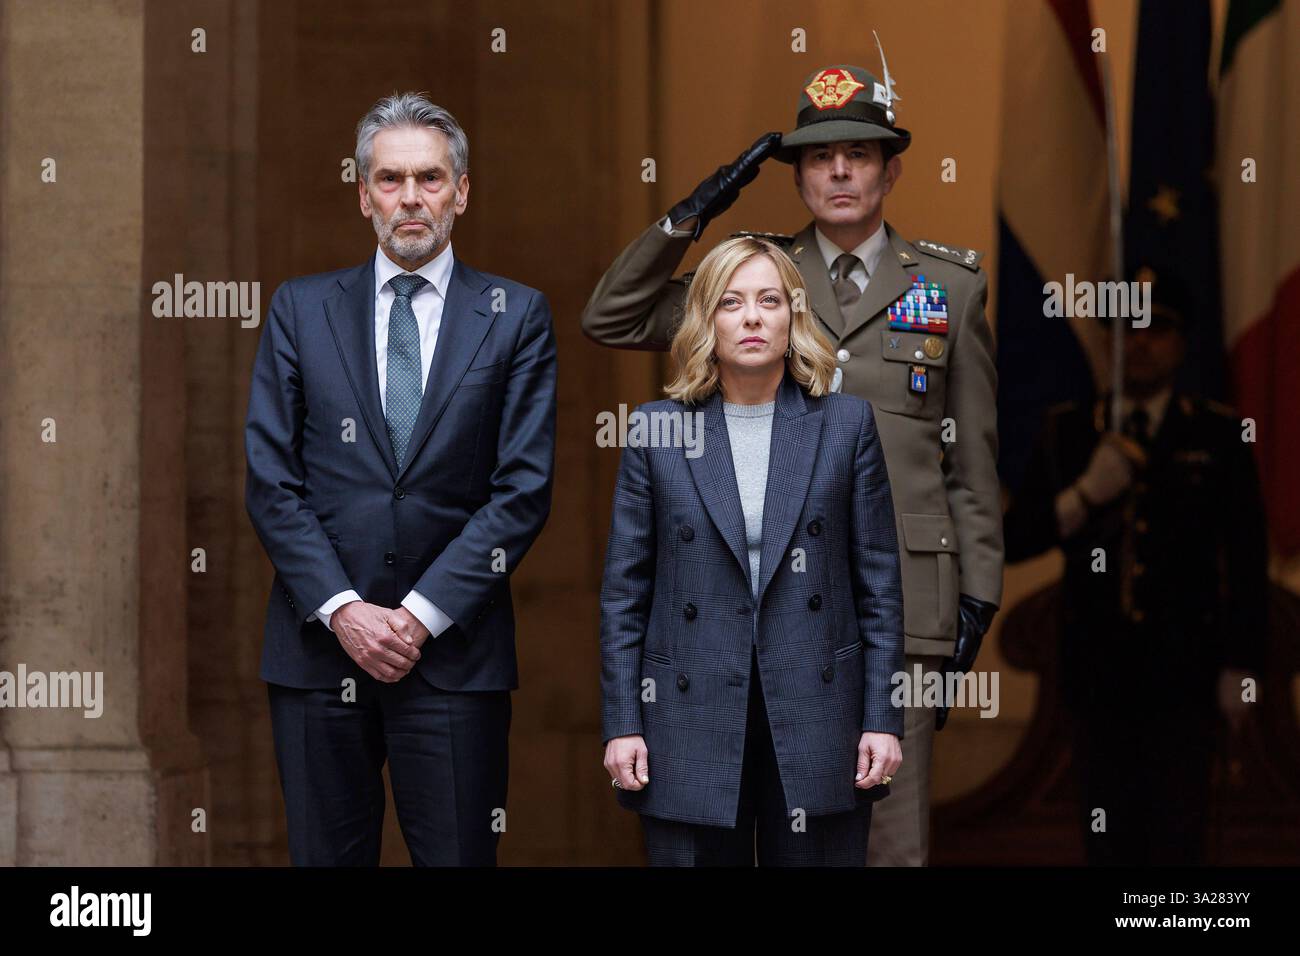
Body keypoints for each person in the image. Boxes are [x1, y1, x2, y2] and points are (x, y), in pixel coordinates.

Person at [583, 59, 1003, 866]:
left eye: (860, 153)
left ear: (892, 167)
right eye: (818, 156)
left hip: (903, 604)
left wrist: (976, 596)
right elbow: (612, 313)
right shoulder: (754, 281)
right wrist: (701, 207)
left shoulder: (950, 287)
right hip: (750, 611)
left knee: (889, 842)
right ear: (798, 174)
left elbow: (972, 462)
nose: (840, 170)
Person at [244, 92, 557, 866]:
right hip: (319, 652)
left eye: (429, 177)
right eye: (389, 179)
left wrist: (416, 618)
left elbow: (521, 490)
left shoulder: (515, 315)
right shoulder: (300, 309)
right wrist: (346, 611)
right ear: (361, 193)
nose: (410, 198)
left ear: (462, 191)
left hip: (454, 660)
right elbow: (269, 481)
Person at [599, 235, 904, 866]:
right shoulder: (657, 430)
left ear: (795, 315)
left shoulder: (845, 424)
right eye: (731, 302)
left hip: (820, 715)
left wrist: (883, 718)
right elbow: (625, 597)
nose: (753, 317)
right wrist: (625, 722)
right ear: (706, 319)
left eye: (770, 299)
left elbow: (878, 586)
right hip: (688, 720)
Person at [1002, 266, 1268, 865]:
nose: (1140, 341)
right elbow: (1015, 541)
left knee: (1179, 838)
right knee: (1106, 836)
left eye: (1157, 328)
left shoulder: (1219, 434)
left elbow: (1246, 559)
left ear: (1181, 341)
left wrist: (1241, 665)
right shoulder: (1069, 429)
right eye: (1126, 327)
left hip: (1187, 675)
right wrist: (1083, 496)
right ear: (1108, 340)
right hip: (1097, 674)